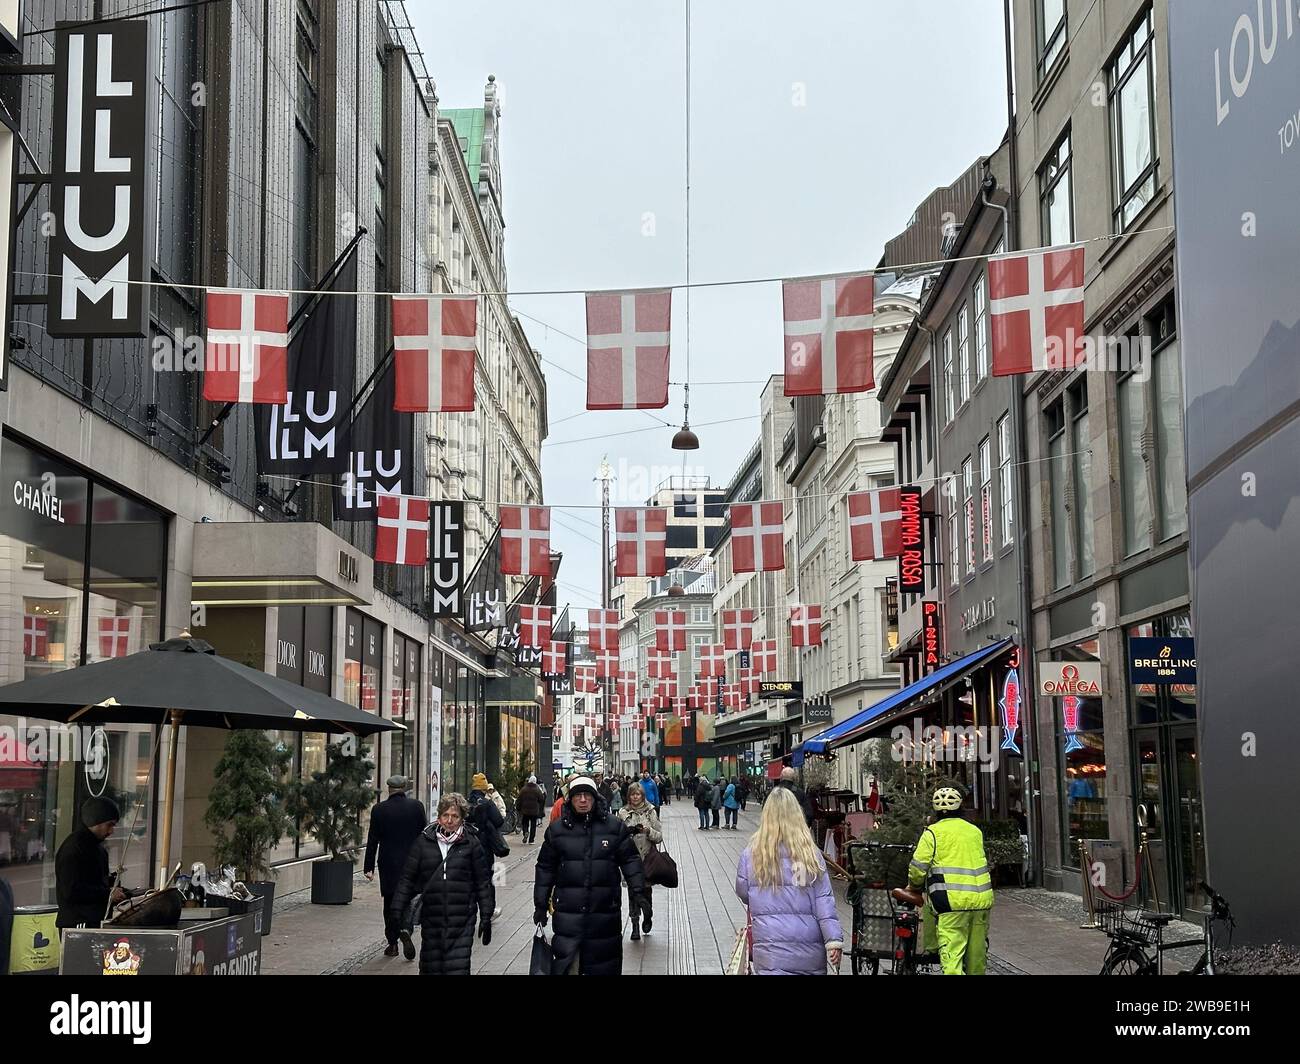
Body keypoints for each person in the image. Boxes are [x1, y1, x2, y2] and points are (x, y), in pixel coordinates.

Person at [534, 776, 646, 975]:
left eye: (588, 795)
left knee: (604, 965)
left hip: (604, 915)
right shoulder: (557, 830)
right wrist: (541, 904)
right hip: (569, 915)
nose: (583, 800)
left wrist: (639, 891)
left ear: (596, 798)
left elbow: (630, 860)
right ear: (571, 800)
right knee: (568, 966)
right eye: (578, 796)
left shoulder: (614, 827)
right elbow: (545, 868)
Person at [734, 787, 844, 975]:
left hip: (770, 948)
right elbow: (824, 900)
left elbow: (743, 892)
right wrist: (833, 940)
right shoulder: (811, 854)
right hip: (808, 950)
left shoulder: (752, 854)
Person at [389, 793, 494, 976]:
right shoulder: (424, 842)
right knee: (431, 968)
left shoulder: (471, 843)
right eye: (446, 815)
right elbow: (407, 878)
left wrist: (486, 915)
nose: (450, 820)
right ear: (439, 817)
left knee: (457, 968)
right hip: (433, 919)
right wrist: (396, 910)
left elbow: (482, 882)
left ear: (462, 819)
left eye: (455, 816)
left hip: (462, 919)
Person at [907, 785, 994, 975]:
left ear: (936, 811)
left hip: (951, 903)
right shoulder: (974, 831)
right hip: (981, 902)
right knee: (976, 959)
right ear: (961, 807)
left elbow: (918, 868)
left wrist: (914, 886)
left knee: (952, 959)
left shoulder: (932, 833)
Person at [363, 775, 428, 959]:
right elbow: (424, 834)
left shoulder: (379, 810)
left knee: (390, 903)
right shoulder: (416, 807)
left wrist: (368, 867)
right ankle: (406, 929)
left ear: (389, 789)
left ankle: (392, 943)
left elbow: (372, 840)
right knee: (406, 899)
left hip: (388, 864)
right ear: (404, 788)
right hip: (412, 862)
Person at [55, 797, 128, 930]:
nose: (111, 831)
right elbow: (71, 891)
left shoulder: (97, 848)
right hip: (79, 921)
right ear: (96, 821)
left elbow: (96, 882)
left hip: (94, 919)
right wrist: (108, 894)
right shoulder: (74, 848)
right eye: (109, 825)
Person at [616, 782, 662, 942]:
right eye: (632, 794)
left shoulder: (651, 811)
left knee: (646, 891)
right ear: (628, 796)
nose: (635, 797)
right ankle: (635, 924)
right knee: (632, 893)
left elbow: (659, 836)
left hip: (648, 858)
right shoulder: (623, 812)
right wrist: (628, 832)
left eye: (638, 794)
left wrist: (648, 831)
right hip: (629, 859)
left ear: (642, 796)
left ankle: (647, 916)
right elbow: (617, 836)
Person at [468, 773, 506, 864]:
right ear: (484, 789)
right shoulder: (487, 803)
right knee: (485, 870)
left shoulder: (465, 803)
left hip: (468, 842)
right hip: (485, 843)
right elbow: (499, 821)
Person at [516, 774, 547, 843]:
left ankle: (525, 832)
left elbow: (519, 799)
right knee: (533, 825)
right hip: (534, 811)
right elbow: (541, 799)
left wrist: (518, 807)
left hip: (525, 810)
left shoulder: (524, 789)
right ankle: (531, 840)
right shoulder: (537, 789)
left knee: (525, 823)